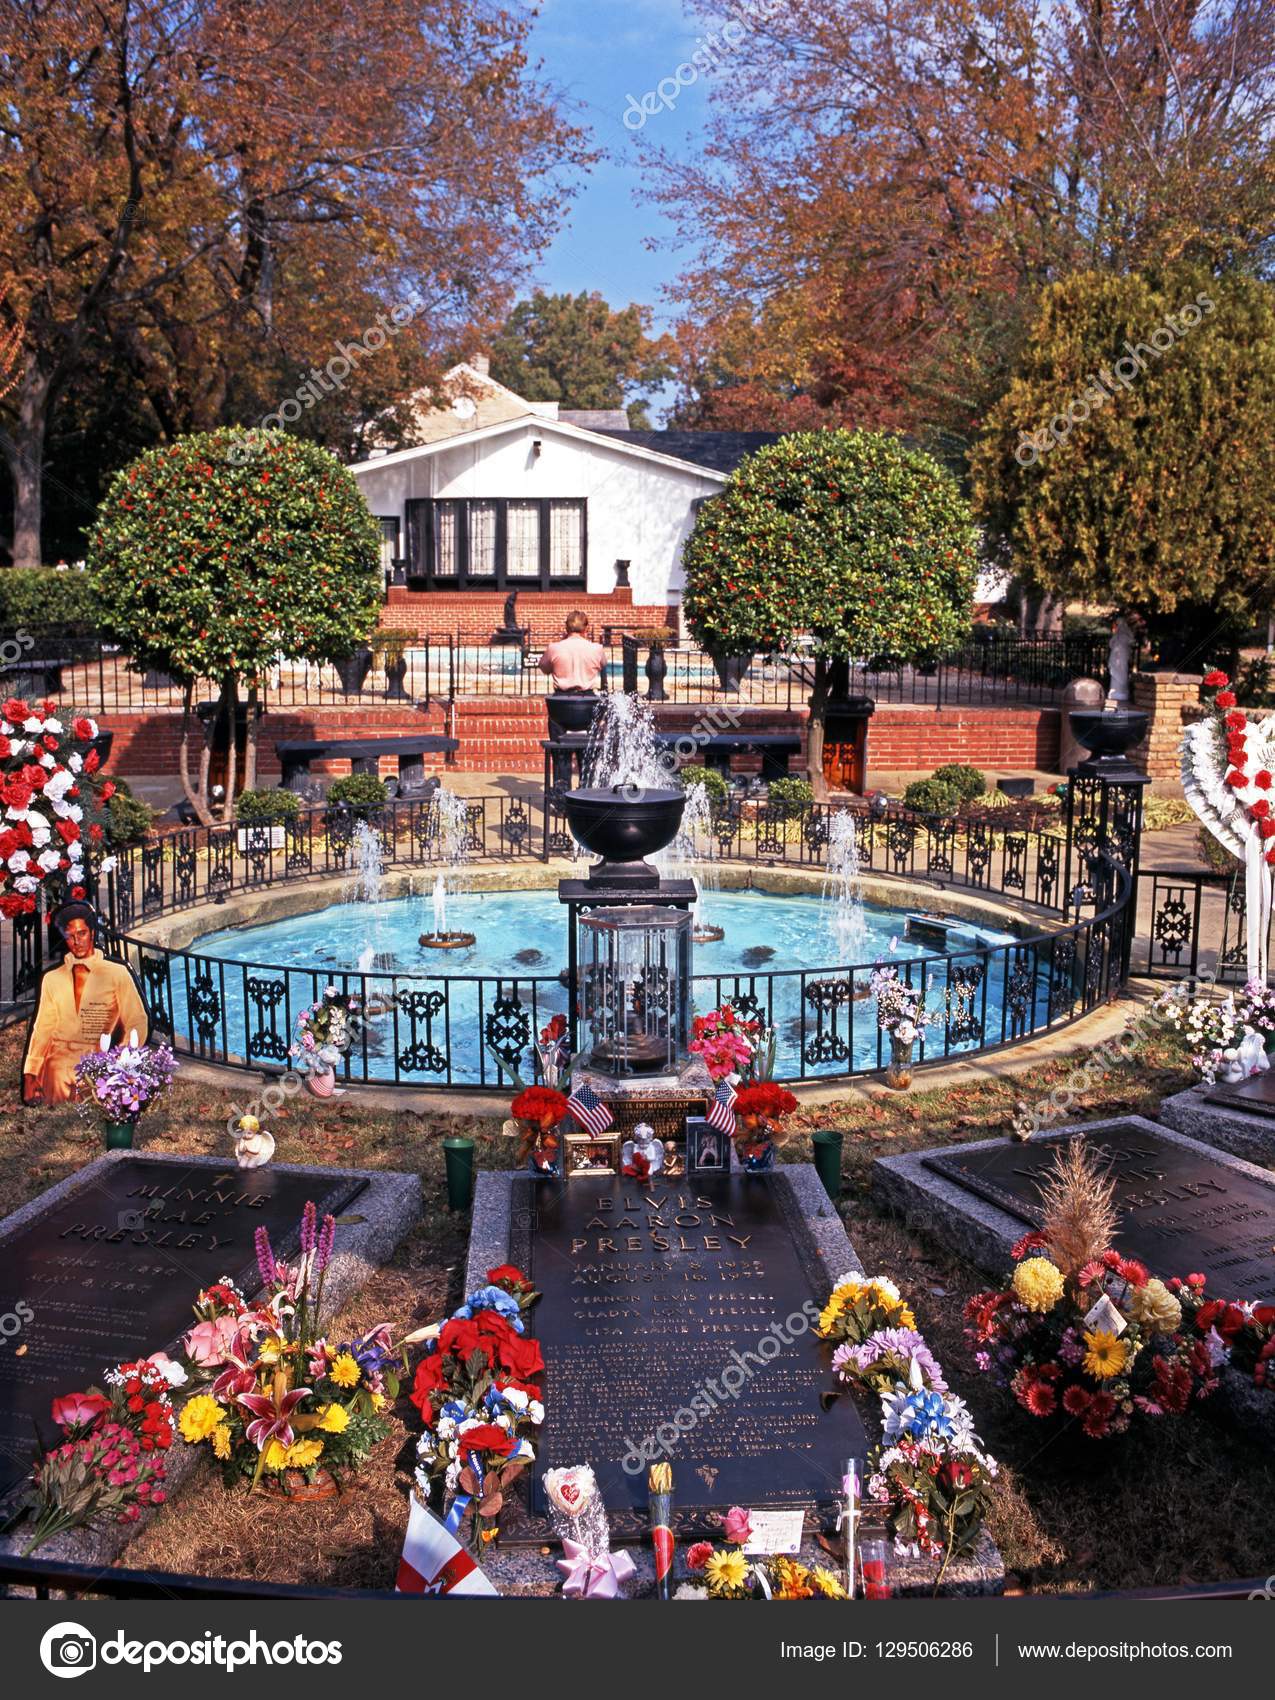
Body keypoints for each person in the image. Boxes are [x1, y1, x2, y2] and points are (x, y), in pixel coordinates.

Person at [22, 904, 149, 1104]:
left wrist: (121, 1064)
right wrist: (30, 1074)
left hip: (98, 1063)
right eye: (70, 936)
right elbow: (42, 1029)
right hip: (56, 1067)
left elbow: (137, 1021)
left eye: (82, 933)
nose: (77, 941)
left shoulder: (117, 973)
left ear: (92, 933)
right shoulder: (52, 978)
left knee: (91, 1110)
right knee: (55, 1114)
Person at [538, 611, 607, 694]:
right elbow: (603, 665)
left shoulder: (553, 648)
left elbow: (544, 669)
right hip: (587, 697)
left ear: (566, 628)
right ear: (586, 628)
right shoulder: (597, 649)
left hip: (560, 697)